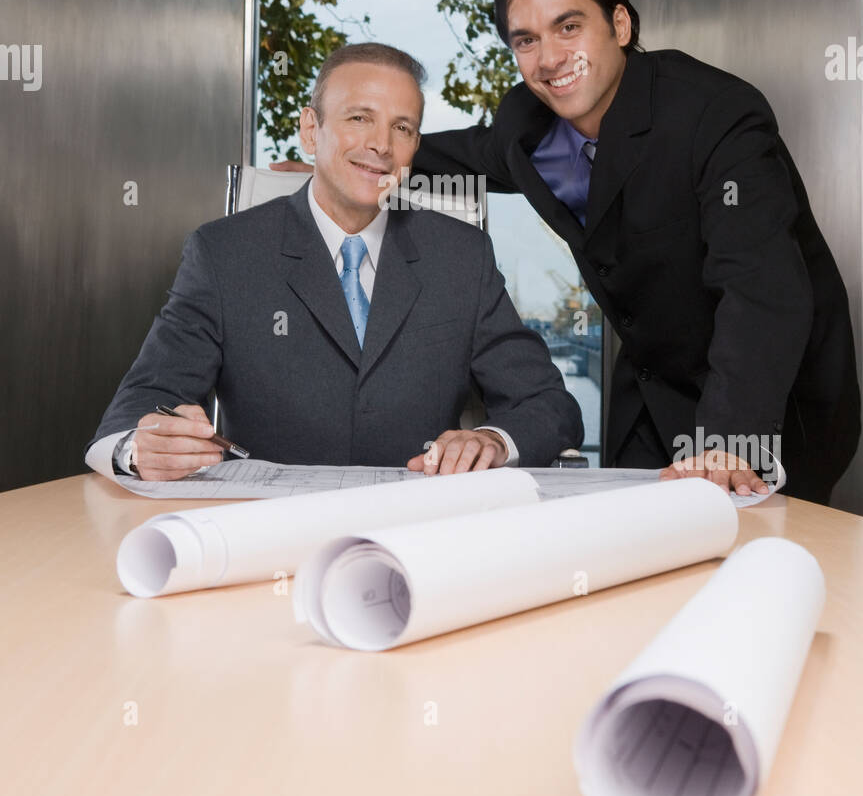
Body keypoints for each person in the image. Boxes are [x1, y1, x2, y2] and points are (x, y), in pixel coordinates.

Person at [274, 0, 861, 504]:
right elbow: (467, 155)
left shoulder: (717, 116)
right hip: (654, 390)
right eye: (525, 40)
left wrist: (730, 441)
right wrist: (355, 156)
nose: (550, 58)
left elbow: (761, 291)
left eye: (569, 27)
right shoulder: (525, 125)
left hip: (769, 397)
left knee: (766, 570)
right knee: (636, 566)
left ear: (621, 26)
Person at [85, 43, 584, 481]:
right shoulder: (223, 254)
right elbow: (139, 405)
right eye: (359, 118)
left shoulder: (461, 256)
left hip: (420, 536)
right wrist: (139, 450)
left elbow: (547, 405)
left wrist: (494, 440)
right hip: (264, 535)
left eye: (403, 127)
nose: (381, 146)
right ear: (310, 129)